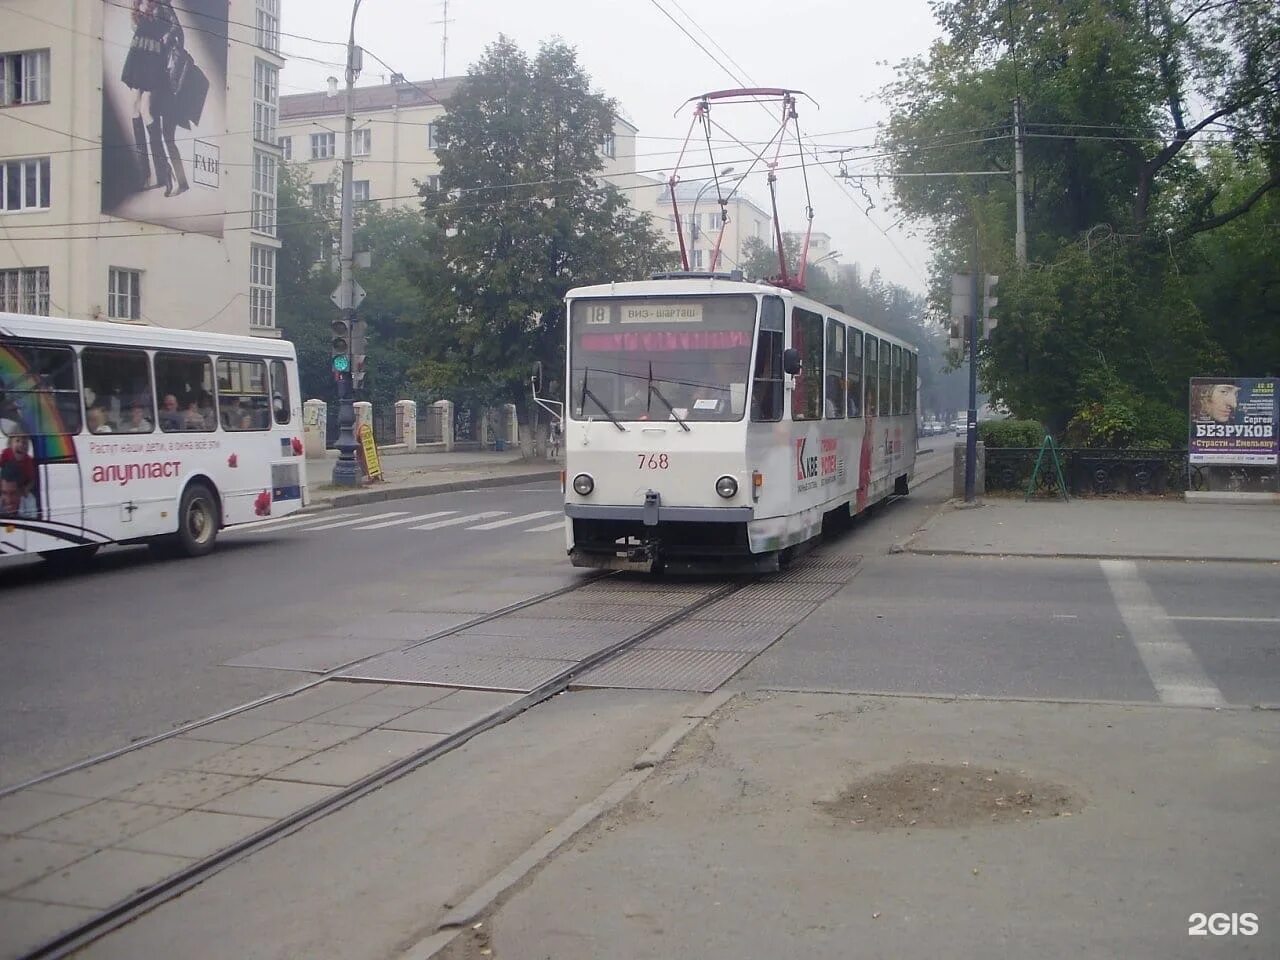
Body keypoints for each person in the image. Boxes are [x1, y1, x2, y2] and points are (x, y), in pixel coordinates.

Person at [121, 0, 184, 194]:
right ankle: (145, 173)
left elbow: (176, 29)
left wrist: (165, 35)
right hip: (139, 57)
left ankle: (163, 171)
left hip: (154, 61)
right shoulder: (139, 10)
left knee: (145, 111)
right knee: (133, 109)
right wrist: (141, 12)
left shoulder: (163, 7)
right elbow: (135, 25)